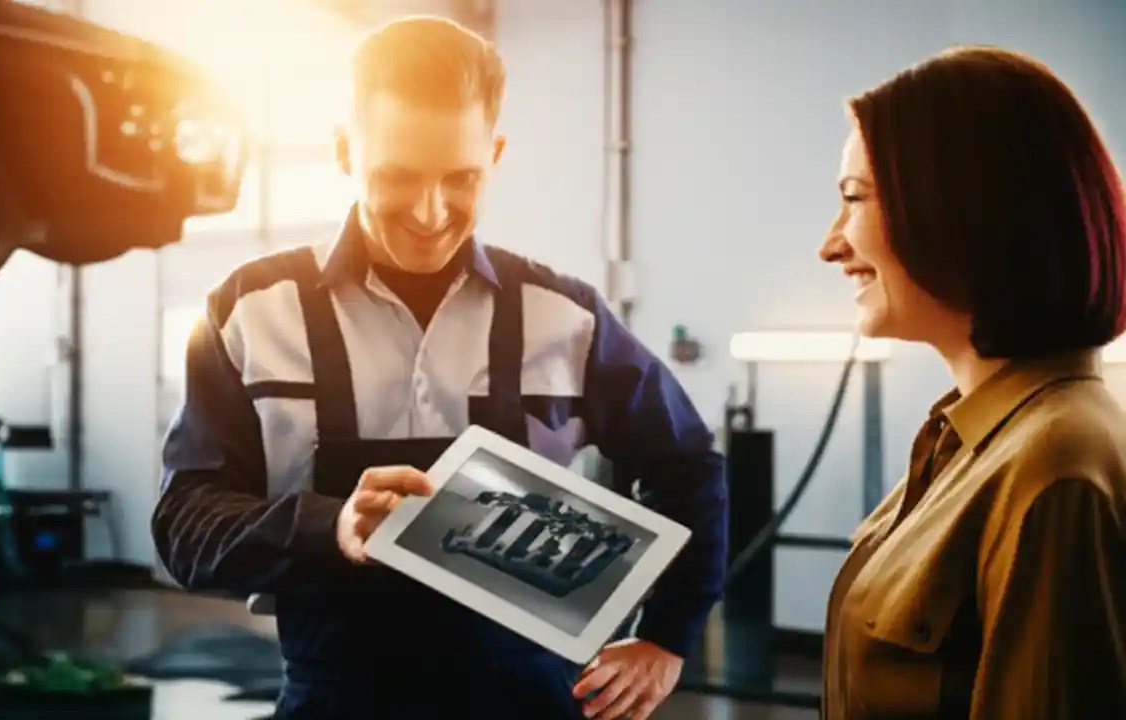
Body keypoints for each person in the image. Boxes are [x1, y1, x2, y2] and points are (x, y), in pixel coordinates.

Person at [151, 16, 727, 720]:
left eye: (461, 178)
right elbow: (185, 522)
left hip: (531, 700)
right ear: (343, 152)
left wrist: (667, 637)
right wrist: (330, 528)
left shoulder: (564, 317)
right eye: (397, 176)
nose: (430, 213)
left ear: (498, 153)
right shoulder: (251, 311)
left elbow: (690, 467)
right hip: (335, 697)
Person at [817, 45, 1126, 719]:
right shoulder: (972, 438)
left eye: (854, 200)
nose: (832, 244)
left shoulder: (1054, 466)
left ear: (959, 208)